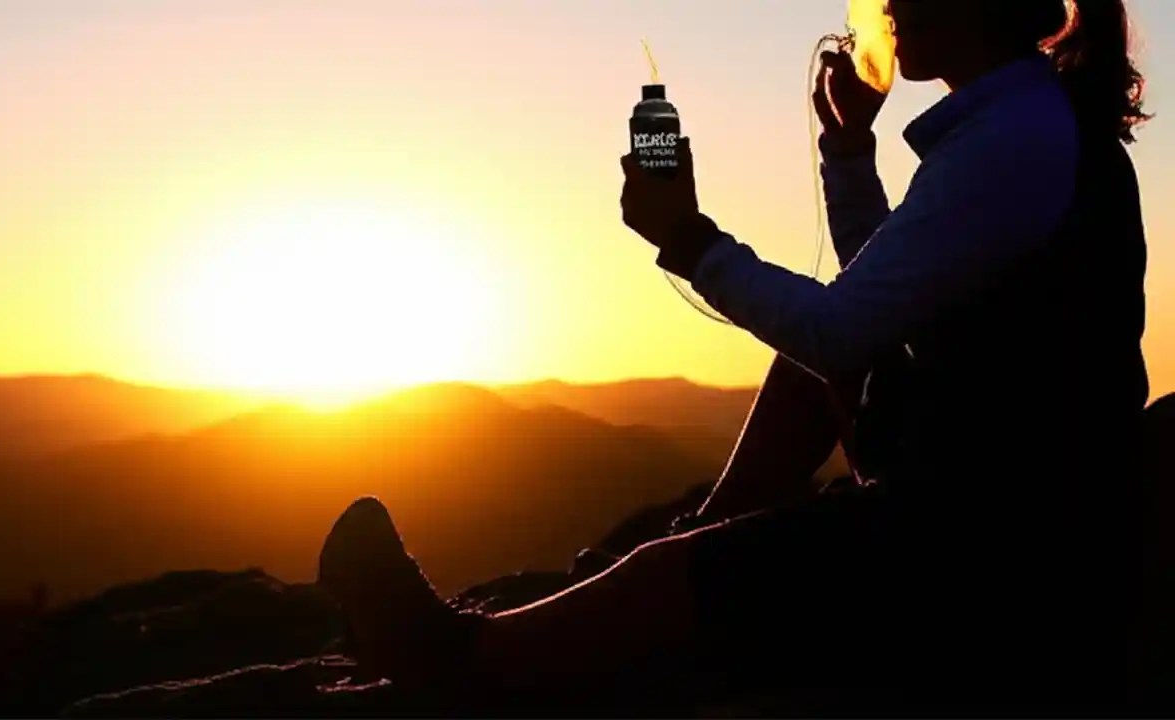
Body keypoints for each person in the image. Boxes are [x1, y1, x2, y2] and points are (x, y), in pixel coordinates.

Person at [318, 0, 1153, 712]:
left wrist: (688, 237)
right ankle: (713, 531)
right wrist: (848, 150)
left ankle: (458, 661)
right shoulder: (1025, 122)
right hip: (1015, 485)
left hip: (992, 538)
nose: (886, 7)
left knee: (674, 573)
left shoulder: (1013, 139)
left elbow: (845, 328)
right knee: (803, 369)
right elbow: (888, 297)